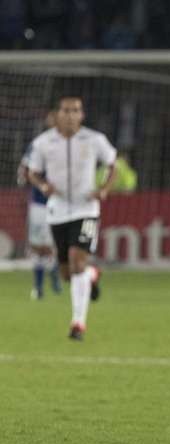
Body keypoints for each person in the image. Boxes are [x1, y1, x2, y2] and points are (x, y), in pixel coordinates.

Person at [27, 95, 117, 341]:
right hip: (57, 210)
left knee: (77, 262)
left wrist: (105, 189)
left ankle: (78, 324)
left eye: (75, 110)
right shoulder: (43, 142)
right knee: (68, 273)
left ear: (82, 114)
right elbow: (32, 172)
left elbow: (112, 164)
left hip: (86, 208)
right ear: (58, 114)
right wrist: (43, 185)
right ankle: (91, 275)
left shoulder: (94, 139)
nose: (70, 115)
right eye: (66, 110)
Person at [17, 110, 61, 300]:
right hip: (39, 203)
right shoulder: (38, 143)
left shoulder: (71, 144)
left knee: (57, 244)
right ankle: (38, 286)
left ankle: (54, 276)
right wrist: (23, 178)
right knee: (38, 246)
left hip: (62, 203)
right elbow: (25, 169)